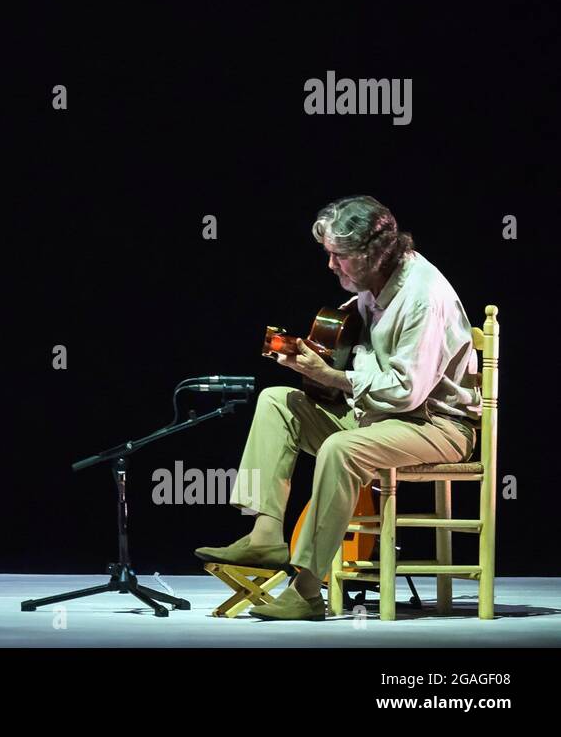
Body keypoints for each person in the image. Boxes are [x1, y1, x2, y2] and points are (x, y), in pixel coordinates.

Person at [194, 195, 481, 620]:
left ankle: (307, 589)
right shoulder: (373, 287)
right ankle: (266, 533)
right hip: (380, 418)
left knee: (341, 449)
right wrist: (311, 355)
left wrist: (333, 377)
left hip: (437, 425)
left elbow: (407, 392)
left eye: (338, 256)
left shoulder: (424, 295)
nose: (330, 265)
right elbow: (354, 338)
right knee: (277, 402)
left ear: (373, 253)